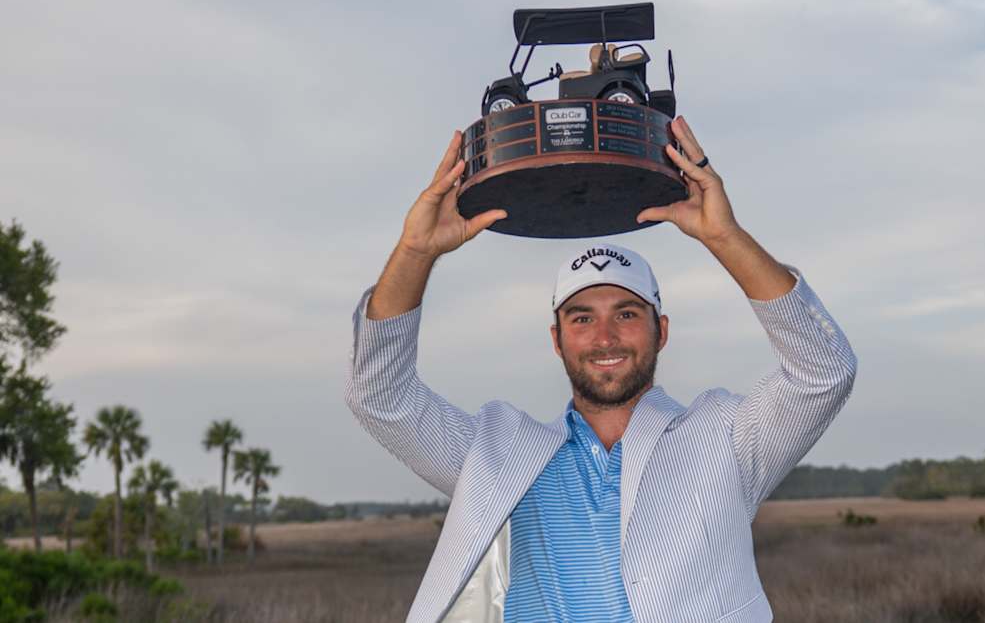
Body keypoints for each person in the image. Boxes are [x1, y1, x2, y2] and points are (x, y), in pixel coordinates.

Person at [345, 116, 857, 622]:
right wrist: (415, 251)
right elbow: (380, 396)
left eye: (627, 315)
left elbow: (823, 371)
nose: (605, 338)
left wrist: (725, 237)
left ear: (661, 331)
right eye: (582, 318)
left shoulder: (724, 439)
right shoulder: (493, 454)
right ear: (557, 340)